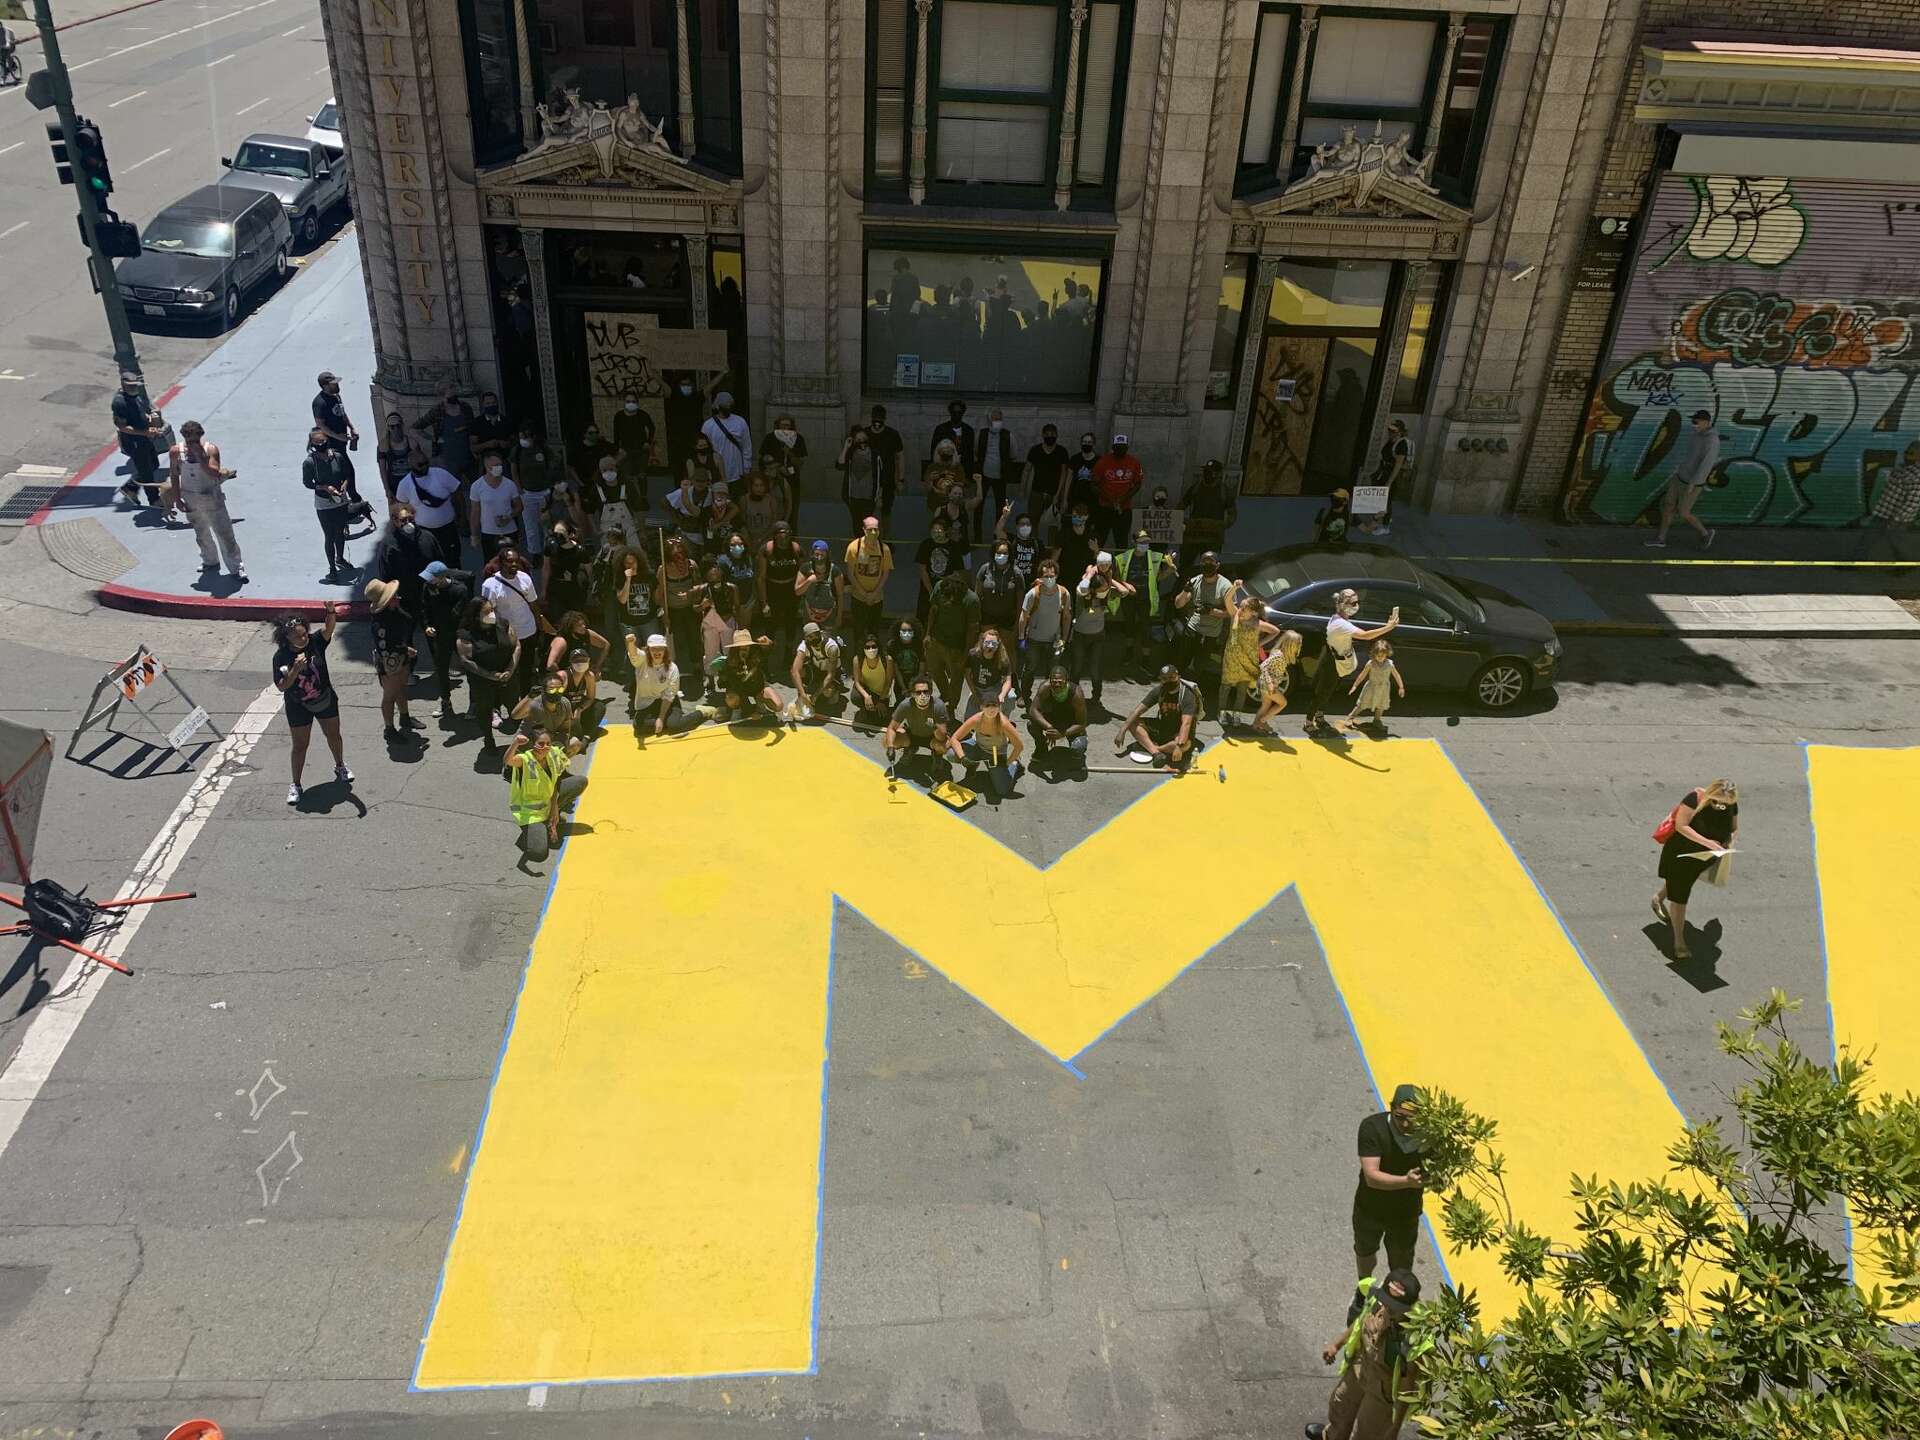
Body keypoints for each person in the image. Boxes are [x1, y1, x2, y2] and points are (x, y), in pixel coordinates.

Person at [1306, 1269, 1425, 1440]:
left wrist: (1395, 1427)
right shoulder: (1378, 1301)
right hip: (1360, 1368)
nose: (1388, 1308)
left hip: (1382, 1390)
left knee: (1366, 1432)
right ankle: (1332, 1436)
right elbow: (1361, 1321)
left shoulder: (1412, 1339)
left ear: (1409, 1309)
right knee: (1340, 1405)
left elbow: (1407, 1388)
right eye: (1387, 1302)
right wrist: (1336, 1344)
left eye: (1395, 1307)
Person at [271, 604, 352, 805]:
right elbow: (282, 686)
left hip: (325, 699)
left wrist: (330, 611)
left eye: (304, 634)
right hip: (298, 706)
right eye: (297, 637)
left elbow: (328, 629)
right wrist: (295, 670)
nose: (303, 638)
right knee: (300, 745)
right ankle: (296, 784)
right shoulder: (281, 657)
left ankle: (340, 765)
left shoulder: (315, 642)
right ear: (287, 638)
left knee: (333, 735)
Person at [1653, 778, 1738, 963]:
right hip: (1681, 854)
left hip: (1703, 858)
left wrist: (1728, 841)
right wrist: (1709, 843)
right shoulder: (1694, 799)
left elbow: (1733, 828)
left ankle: (1658, 898)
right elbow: (1681, 826)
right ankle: (1679, 942)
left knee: (1681, 884)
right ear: (1711, 793)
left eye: (1725, 803)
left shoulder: (1731, 803)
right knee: (1680, 898)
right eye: (1717, 801)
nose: (1721, 805)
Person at [1353, 1084, 1426, 1280]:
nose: (1405, 1124)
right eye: (1399, 1116)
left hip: (1405, 1213)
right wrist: (1407, 1181)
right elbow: (1371, 1177)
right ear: (1392, 1108)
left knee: (1401, 1264)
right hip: (1370, 1208)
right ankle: (1363, 1288)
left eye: (1412, 1118)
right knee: (1365, 1252)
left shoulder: (1429, 1136)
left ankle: (1394, 1297)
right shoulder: (1372, 1128)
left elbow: (1440, 1175)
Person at [1306, 589, 1397, 735]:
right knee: (1322, 692)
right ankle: (1309, 722)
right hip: (1331, 663)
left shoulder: (1340, 618)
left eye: (1357, 602)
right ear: (1343, 605)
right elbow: (1365, 635)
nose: (1356, 605)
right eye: (1353, 603)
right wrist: (1388, 627)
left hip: (1335, 661)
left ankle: (1319, 715)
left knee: (1329, 690)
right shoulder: (1340, 624)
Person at [167, 420, 245, 581]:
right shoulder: (175, 452)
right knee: (201, 533)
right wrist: (177, 499)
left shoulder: (210, 450)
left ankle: (236, 567)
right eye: (190, 440)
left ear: (201, 436)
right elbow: (174, 475)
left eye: (196, 440)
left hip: (212, 497)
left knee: (225, 534)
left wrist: (200, 458)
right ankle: (209, 561)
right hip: (191, 498)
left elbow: (215, 473)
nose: (193, 443)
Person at [504, 728, 587, 866]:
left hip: (548, 802)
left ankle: (550, 819)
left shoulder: (552, 754)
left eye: (548, 743)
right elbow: (508, 760)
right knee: (539, 854)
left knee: (580, 781)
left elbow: (555, 781)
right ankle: (531, 831)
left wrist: (555, 808)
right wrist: (515, 744)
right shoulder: (524, 760)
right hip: (530, 814)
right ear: (532, 744)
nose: (545, 747)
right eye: (541, 744)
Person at [1647, 409, 1719, 549]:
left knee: (1684, 513)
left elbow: (1706, 464)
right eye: (1693, 421)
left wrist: (1694, 482)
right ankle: (1661, 539)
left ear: (1705, 422)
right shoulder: (1696, 435)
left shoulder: (1712, 440)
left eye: (1696, 422)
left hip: (1692, 483)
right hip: (1679, 477)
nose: (1693, 425)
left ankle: (1705, 534)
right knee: (1668, 505)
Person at [1173, 551, 1233, 714]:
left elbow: (1230, 612)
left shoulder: (1225, 586)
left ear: (1217, 565)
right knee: (1182, 662)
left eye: (1210, 562)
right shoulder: (1195, 581)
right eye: (1204, 561)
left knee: (1198, 667)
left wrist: (1211, 611)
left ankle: (1190, 700)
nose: (1207, 565)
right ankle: (1177, 695)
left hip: (1210, 634)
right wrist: (1185, 590)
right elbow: (1178, 604)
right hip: (1192, 629)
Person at [481, 546, 546, 699]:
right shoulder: (490, 585)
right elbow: (487, 613)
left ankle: (525, 701)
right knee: (507, 671)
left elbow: (533, 604)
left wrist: (540, 628)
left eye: (516, 561)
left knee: (526, 669)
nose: (514, 564)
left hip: (528, 632)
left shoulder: (525, 578)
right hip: (506, 637)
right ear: (501, 563)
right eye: (510, 561)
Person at [456, 595, 520, 750]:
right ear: (476, 616)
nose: (492, 614)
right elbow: (466, 660)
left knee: (515, 707)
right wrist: (491, 675)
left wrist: (510, 669)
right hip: (483, 680)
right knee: (484, 710)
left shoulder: (503, 625)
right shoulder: (466, 634)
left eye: (492, 610)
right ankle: (488, 739)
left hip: (507, 676)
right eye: (486, 612)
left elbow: (516, 646)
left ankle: (520, 738)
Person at [363, 578, 422, 743]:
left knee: (402, 688)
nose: (398, 597)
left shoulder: (394, 612)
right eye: (393, 596)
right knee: (390, 696)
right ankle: (389, 729)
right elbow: (386, 647)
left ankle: (404, 717)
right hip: (389, 662)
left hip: (401, 658)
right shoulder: (379, 624)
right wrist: (405, 650)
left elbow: (408, 620)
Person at [1114, 526, 1176, 679]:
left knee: (1146, 628)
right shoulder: (1123, 558)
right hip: (1128, 597)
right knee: (1128, 624)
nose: (1144, 544)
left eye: (1147, 542)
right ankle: (1129, 653)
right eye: (1141, 542)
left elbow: (1159, 577)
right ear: (1134, 542)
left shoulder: (1155, 557)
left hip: (1146, 598)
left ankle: (1146, 659)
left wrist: (1169, 570)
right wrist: (1125, 586)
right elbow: (1116, 577)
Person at [417, 560, 473, 720]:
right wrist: (427, 625)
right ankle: (445, 700)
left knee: (470, 667)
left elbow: (456, 614)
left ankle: (474, 703)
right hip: (440, 635)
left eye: (432, 577)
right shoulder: (428, 587)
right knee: (441, 669)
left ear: (442, 577)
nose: (428, 580)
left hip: (458, 633)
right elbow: (424, 608)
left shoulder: (459, 590)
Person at [1116, 665, 1199, 770]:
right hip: (1163, 727)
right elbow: (1138, 711)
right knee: (1133, 723)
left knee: (1183, 745)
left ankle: (1150, 747)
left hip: (1179, 733)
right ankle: (1156, 754)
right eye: (1165, 678)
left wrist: (1178, 747)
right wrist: (1122, 730)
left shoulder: (1187, 694)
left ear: (1178, 677)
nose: (1168, 681)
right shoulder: (1160, 690)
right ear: (1160, 680)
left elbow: (1186, 724)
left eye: (1172, 677)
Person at [1072, 554, 1128, 707]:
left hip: (1098, 636)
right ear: (1094, 589)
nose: (1106, 590)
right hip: (1080, 635)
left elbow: (1124, 591)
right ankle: (1072, 695)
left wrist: (1109, 579)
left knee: (1095, 669)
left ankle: (1096, 697)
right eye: (1103, 589)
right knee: (1076, 668)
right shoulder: (1082, 594)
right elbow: (1083, 586)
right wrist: (1090, 573)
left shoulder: (1105, 593)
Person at [1219, 589, 1280, 726]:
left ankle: (1236, 714)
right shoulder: (1235, 615)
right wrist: (1234, 588)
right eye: (1240, 606)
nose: (1240, 610)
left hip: (1247, 659)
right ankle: (1222, 712)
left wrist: (1259, 644)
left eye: (1244, 608)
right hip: (1231, 657)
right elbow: (1227, 600)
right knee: (1226, 686)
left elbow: (1275, 631)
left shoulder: (1257, 623)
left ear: (1253, 612)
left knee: (1242, 689)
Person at [303, 427, 356, 582]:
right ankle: (332, 568)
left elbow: (347, 474)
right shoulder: (310, 462)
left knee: (340, 532)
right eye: (317, 443)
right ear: (312, 444)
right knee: (329, 535)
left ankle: (340, 558)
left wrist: (344, 485)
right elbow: (308, 483)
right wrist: (325, 488)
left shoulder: (337, 457)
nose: (321, 445)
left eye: (323, 441)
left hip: (340, 500)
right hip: (324, 503)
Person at [945, 694, 1023, 799]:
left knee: (1002, 790)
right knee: (951, 754)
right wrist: (962, 757)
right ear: (981, 707)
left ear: (999, 707)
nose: (991, 709)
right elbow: (954, 738)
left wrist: (1008, 762)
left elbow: (1019, 746)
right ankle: (971, 765)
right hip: (978, 746)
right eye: (987, 705)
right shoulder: (976, 719)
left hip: (995, 753)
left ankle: (1015, 764)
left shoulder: (1004, 723)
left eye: (994, 705)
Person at [656, 534, 705, 696]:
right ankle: (674, 669)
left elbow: (699, 586)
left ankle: (697, 665)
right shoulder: (663, 569)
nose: (679, 556)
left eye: (681, 552)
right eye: (675, 553)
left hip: (689, 608)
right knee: (674, 640)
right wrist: (664, 613)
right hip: (673, 609)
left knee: (693, 636)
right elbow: (661, 594)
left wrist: (693, 596)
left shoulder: (691, 565)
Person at [1016, 558, 1070, 703]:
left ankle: (1048, 697)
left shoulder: (1064, 594)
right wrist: (1021, 638)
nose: (1049, 579)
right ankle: (1024, 696)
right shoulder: (1033, 594)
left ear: (1057, 575)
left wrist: (1064, 639)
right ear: (1041, 577)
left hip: (1054, 640)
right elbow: (1023, 616)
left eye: (1052, 576)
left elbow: (1066, 617)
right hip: (1034, 639)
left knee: (1052, 671)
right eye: (1046, 576)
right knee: (1030, 669)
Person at [111, 372, 168, 509]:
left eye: (135, 385)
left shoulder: (136, 397)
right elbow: (122, 427)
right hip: (134, 442)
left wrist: (149, 418)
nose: (134, 388)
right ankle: (154, 500)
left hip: (144, 438)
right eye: (131, 386)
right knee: (147, 472)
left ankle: (130, 487)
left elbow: (141, 412)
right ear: (123, 384)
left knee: (153, 464)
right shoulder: (119, 402)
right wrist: (145, 432)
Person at [924, 572, 979, 711]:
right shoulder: (940, 587)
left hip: (957, 647)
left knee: (956, 678)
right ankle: (945, 694)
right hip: (936, 640)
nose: (949, 601)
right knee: (934, 670)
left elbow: (972, 629)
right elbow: (933, 610)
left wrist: (966, 654)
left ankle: (951, 707)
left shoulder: (971, 600)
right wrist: (928, 634)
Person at [398, 452, 463, 568]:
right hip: (424, 532)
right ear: (411, 465)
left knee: (453, 560)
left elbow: (457, 492)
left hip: (448, 528)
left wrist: (461, 515)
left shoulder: (441, 474)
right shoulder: (404, 484)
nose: (424, 466)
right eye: (420, 464)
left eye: (426, 463)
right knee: (430, 563)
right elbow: (402, 508)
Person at [628, 633, 700, 736]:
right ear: (648, 650)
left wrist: (661, 718)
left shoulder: (672, 668)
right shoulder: (642, 661)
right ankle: (666, 723)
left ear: (665, 650)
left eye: (660, 648)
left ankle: (702, 713)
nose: (657, 652)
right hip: (647, 702)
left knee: (674, 726)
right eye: (653, 649)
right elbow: (634, 655)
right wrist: (631, 643)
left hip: (667, 701)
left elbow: (669, 695)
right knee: (638, 727)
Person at [883, 678, 952, 780]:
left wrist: (935, 726)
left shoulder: (938, 706)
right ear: (912, 694)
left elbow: (942, 736)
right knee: (887, 741)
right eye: (918, 692)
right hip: (912, 734)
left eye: (925, 691)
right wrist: (890, 747)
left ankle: (937, 758)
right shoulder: (905, 705)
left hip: (932, 737)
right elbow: (891, 728)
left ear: (931, 692)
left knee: (944, 745)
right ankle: (909, 750)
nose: (922, 695)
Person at [510, 423, 561, 558]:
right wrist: (519, 488)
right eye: (521, 437)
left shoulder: (543, 449)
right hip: (527, 493)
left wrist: (551, 486)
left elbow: (553, 466)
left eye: (525, 437)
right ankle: (535, 553)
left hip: (544, 492)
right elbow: (514, 471)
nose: (523, 440)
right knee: (531, 527)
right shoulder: (517, 451)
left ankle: (549, 552)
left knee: (547, 525)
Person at [1027, 663, 1088, 775]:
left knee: (1079, 746)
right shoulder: (1045, 688)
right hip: (1052, 720)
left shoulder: (1076, 694)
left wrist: (1062, 733)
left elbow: (1082, 724)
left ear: (1066, 680)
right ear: (1049, 680)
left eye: (1060, 682)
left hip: (1070, 723)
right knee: (1031, 724)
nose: (1057, 685)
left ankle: (1076, 758)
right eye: (1054, 681)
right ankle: (1041, 747)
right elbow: (1033, 710)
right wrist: (1049, 727)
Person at [842, 518, 892, 646]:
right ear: (864, 530)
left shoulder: (884, 549)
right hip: (858, 597)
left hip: (877, 598)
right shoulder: (854, 547)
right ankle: (858, 656)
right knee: (858, 632)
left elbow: (885, 573)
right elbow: (851, 574)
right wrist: (864, 594)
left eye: (876, 529)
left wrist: (874, 594)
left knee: (874, 632)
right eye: (870, 530)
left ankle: (873, 657)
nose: (874, 532)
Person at [716, 629, 782, 722]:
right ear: (736, 648)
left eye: (747, 646)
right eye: (741, 647)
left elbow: (772, 651)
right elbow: (727, 684)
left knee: (778, 706)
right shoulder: (729, 662)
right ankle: (737, 708)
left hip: (758, 687)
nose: (744, 650)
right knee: (731, 698)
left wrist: (770, 643)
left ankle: (759, 702)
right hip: (739, 690)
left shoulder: (757, 652)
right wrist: (749, 710)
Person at [1179, 460, 1237, 565]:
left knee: (1209, 567)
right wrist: (1181, 522)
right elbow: (1181, 506)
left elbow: (1232, 513)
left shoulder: (1224, 491)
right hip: (1194, 535)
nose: (1207, 474)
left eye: (1210, 472)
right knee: (1185, 565)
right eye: (1206, 471)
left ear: (1218, 474)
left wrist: (1223, 525)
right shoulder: (1196, 488)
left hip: (1212, 538)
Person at [1362, 421, 1413, 537]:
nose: (1390, 432)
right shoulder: (1391, 441)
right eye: (1389, 430)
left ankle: (1385, 526)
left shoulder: (1401, 445)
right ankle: (1378, 521)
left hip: (1390, 475)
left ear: (1400, 432)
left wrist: (1389, 482)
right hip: (1383, 472)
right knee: (1379, 499)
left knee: (1386, 501)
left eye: (1393, 431)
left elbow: (1397, 466)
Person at [1091, 435, 1144, 548]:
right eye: (1117, 447)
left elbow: (1138, 483)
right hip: (1104, 508)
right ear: (1113, 447)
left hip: (1124, 509)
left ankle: (1121, 560)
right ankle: (1095, 559)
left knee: (1122, 542)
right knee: (1099, 540)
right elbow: (1093, 484)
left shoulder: (1134, 462)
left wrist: (1123, 499)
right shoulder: (1103, 462)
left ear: (1127, 448)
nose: (1120, 450)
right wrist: (1108, 499)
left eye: (1123, 447)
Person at [1343, 638, 1405, 732]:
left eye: (1382, 655)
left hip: (1383, 689)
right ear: (1374, 654)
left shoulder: (1390, 664)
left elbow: (1397, 675)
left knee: (1381, 705)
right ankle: (1350, 717)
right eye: (1378, 655)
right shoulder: (1370, 663)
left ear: (1387, 654)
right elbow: (1362, 675)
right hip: (1371, 688)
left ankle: (1377, 720)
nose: (1380, 657)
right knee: (1362, 704)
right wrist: (1355, 685)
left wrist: (1401, 687)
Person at [414, 387, 476, 481]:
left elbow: (472, 429)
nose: (454, 400)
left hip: (467, 458)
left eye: (455, 396)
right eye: (450, 397)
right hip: (447, 461)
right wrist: (433, 438)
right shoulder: (436, 411)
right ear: (442, 397)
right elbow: (416, 428)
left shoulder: (465, 407)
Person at [1250, 629, 1304, 735]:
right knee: (1283, 703)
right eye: (1298, 645)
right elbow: (1263, 666)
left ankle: (1255, 725)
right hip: (1268, 685)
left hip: (1265, 684)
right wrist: (1270, 683)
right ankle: (1262, 721)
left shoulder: (1279, 653)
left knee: (1266, 705)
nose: (1299, 647)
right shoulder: (1279, 656)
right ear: (1291, 645)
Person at [914, 517, 969, 620]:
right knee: (924, 617)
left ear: (945, 532)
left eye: (939, 531)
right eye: (933, 531)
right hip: (927, 589)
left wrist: (948, 584)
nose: (936, 534)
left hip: (947, 589)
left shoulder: (953, 546)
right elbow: (922, 569)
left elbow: (958, 571)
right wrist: (931, 591)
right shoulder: (926, 544)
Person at [791, 621, 846, 719]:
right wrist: (802, 693)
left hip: (832, 673)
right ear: (806, 637)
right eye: (810, 636)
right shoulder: (804, 645)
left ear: (820, 632)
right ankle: (805, 698)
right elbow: (794, 671)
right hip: (817, 669)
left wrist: (815, 696)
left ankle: (833, 693)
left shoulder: (831, 647)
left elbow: (831, 674)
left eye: (816, 634)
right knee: (800, 671)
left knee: (828, 692)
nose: (814, 638)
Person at [612, 389, 655, 511]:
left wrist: (648, 442)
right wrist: (617, 449)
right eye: (628, 401)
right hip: (626, 450)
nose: (630, 403)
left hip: (641, 449)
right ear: (624, 402)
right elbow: (616, 434)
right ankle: (632, 498)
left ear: (637, 402)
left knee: (642, 475)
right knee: (627, 475)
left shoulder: (642, 414)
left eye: (633, 401)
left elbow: (652, 428)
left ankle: (643, 498)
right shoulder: (619, 416)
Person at [541, 520, 593, 618]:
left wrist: (591, 588)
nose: (557, 537)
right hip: (556, 587)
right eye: (555, 534)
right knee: (557, 616)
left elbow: (589, 570)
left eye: (561, 534)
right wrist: (544, 589)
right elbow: (546, 568)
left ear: (570, 535)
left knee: (575, 616)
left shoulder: (580, 550)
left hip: (574, 587)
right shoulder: (551, 546)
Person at [701, 391, 754, 485]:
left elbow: (746, 446)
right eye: (725, 405)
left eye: (729, 404)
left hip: (737, 473)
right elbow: (704, 450)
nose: (728, 407)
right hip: (717, 474)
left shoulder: (740, 422)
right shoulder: (708, 425)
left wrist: (746, 467)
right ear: (718, 406)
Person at [963, 627, 1015, 716]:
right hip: (978, 689)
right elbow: (967, 675)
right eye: (987, 642)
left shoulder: (1003, 659)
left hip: (995, 689)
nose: (990, 646)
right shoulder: (973, 655)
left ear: (998, 644)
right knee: (969, 719)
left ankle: (1003, 717)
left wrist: (1002, 696)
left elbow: (1008, 680)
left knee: (1011, 696)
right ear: (982, 642)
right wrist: (975, 694)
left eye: (993, 643)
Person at [839, 425, 880, 534]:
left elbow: (880, 475)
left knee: (867, 525)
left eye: (864, 438)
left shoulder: (874, 454)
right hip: (853, 497)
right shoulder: (851, 453)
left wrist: (879, 494)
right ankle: (857, 543)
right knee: (856, 525)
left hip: (869, 497)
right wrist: (846, 447)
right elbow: (840, 465)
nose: (862, 441)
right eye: (858, 439)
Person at [866, 405, 905, 520]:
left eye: (880, 418)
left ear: (884, 419)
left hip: (888, 478)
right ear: (871, 418)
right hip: (869, 479)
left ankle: (885, 530)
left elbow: (900, 456)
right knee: (868, 511)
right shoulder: (865, 434)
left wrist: (901, 479)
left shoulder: (892, 434)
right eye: (875, 418)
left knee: (886, 511)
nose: (877, 422)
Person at [974, 409, 1015, 517]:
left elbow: (1013, 455)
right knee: (979, 504)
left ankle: (999, 527)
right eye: (995, 419)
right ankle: (977, 528)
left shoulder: (1008, 435)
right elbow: (977, 451)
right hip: (983, 475)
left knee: (1000, 507)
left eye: (999, 419)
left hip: (1000, 476)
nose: (997, 421)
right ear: (989, 420)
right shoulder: (981, 434)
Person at [850, 634, 897, 726]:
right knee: (855, 697)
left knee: (879, 721)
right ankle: (865, 708)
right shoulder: (857, 659)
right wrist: (866, 696)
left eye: (874, 646)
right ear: (863, 648)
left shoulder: (887, 660)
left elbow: (888, 682)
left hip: (882, 694)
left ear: (878, 647)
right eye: (867, 647)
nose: (871, 649)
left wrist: (881, 701)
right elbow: (857, 682)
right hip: (867, 691)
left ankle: (871, 709)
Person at [1023, 424, 1068, 522]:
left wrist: (1058, 494)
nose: (1050, 436)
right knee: (1033, 521)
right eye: (1047, 434)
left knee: (1053, 523)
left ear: (1057, 435)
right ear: (1043, 435)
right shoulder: (1035, 450)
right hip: (1036, 492)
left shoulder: (1062, 451)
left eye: (1052, 434)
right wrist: (1023, 489)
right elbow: (1026, 470)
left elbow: (1063, 474)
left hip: (1054, 493)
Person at [740, 465, 789, 553]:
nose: (759, 489)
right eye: (756, 486)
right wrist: (749, 538)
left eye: (761, 485)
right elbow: (742, 521)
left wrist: (762, 538)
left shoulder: (771, 500)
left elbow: (774, 522)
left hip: (767, 535)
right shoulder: (744, 500)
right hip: (750, 536)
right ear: (751, 487)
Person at [798, 539, 843, 635]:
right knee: (811, 640)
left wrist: (839, 616)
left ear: (827, 555)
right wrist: (809, 581)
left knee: (828, 640)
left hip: (829, 615)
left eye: (822, 555)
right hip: (810, 613)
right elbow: (798, 591)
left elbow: (840, 595)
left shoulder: (835, 571)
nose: (819, 557)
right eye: (817, 554)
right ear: (812, 554)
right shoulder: (805, 568)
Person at [376, 410, 420, 503]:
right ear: (388, 428)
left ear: (402, 425)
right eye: (392, 427)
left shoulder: (412, 443)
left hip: (412, 483)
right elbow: (382, 470)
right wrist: (387, 490)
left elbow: (420, 464)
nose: (396, 429)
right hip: (395, 486)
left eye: (398, 426)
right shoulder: (383, 446)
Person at [311, 370, 358, 452]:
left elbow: (342, 413)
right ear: (325, 386)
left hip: (341, 441)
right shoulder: (319, 402)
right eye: (333, 383)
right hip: (329, 445)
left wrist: (352, 428)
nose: (337, 384)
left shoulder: (336, 396)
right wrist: (338, 437)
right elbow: (320, 425)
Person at [470, 391, 514, 477]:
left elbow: (514, 442)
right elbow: (473, 448)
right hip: (486, 464)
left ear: (497, 403)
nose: (491, 405)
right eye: (488, 403)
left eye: (493, 402)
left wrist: (506, 444)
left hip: (504, 462)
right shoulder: (477, 423)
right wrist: (487, 445)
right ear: (483, 405)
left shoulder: (506, 421)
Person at [888, 615, 926, 701]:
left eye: (910, 630)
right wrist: (904, 688)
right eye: (904, 630)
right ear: (898, 631)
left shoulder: (919, 644)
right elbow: (896, 669)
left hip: (917, 680)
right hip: (900, 682)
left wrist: (915, 687)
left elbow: (922, 669)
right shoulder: (893, 645)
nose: (907, 633)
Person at [929, 399, 973, 467]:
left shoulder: (968, 430)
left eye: (959, 412)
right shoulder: (941, 429)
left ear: (963, 413)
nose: (956, 415)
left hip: (963, 466)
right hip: (945, 466)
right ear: (950, 412)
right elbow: (934, 451)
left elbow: (970, 453)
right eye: (954, 412)